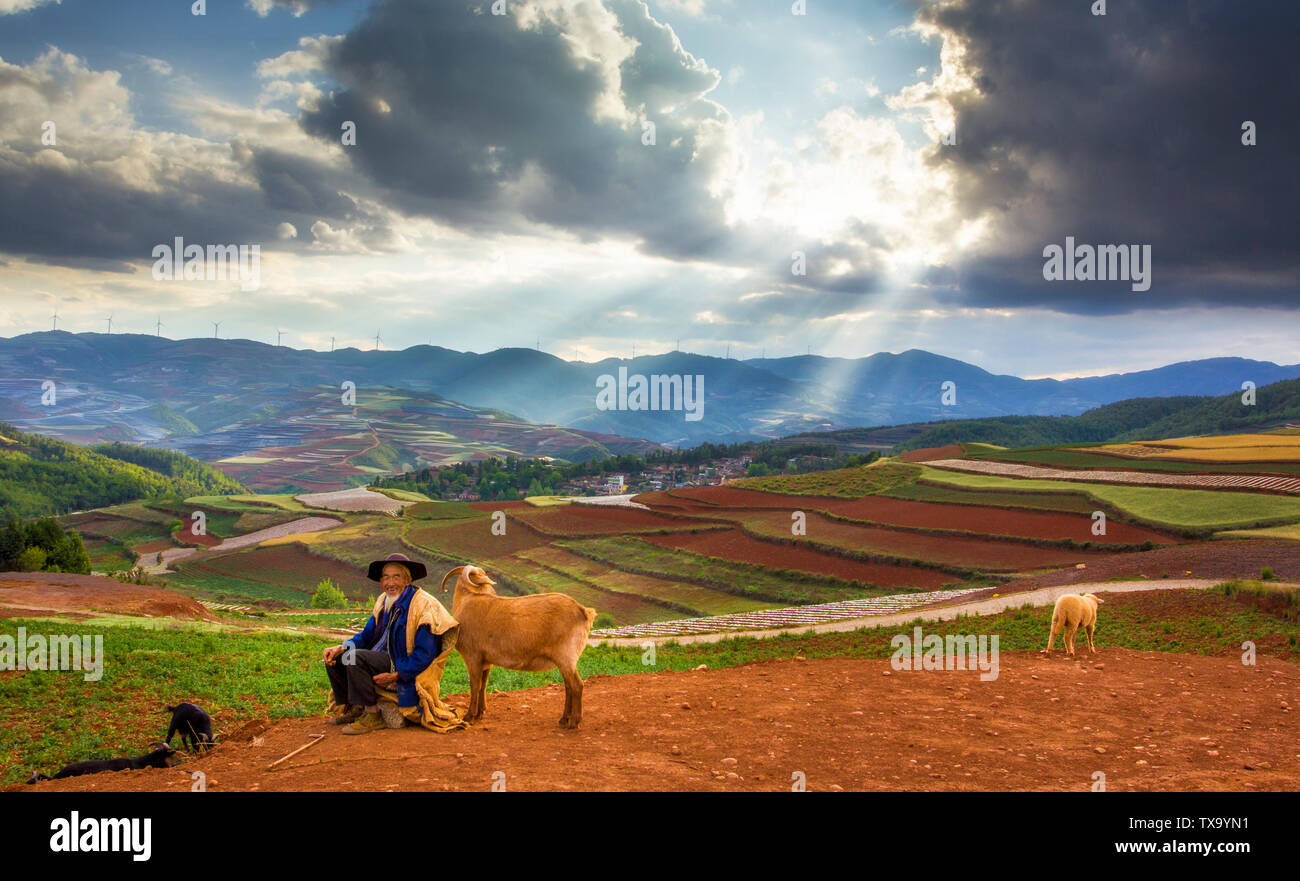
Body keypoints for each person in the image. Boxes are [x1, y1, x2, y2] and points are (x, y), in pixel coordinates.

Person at [322, 553, 461, 735]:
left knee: (354, 658)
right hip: (380, 658)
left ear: (408, 579)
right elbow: (366, 636)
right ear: (381, 581)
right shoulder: (383, 601)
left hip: (399, 663)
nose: (390, 582)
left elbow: (425, 654)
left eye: (396, 576)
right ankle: (354, 707)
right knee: (338, 657)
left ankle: (373, 716)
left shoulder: (424, 606)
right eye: (386, 577)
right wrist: (341, 647)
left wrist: (396, 675)